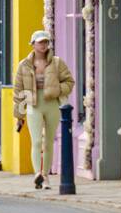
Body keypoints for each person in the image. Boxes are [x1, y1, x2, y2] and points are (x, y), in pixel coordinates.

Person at [13, 30, 75, 189]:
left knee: (48, 141)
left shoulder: (56, 62)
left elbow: (69, 81)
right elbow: (18, 91)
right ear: (32, 44)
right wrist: (19, 115)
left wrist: (57, 89)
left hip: (52, 104)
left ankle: (46, 175)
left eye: (46, 42)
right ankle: (37, 174)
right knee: (37, 141)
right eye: (40, 42)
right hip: (34, 104)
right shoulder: (24, 65)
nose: (43, 45)